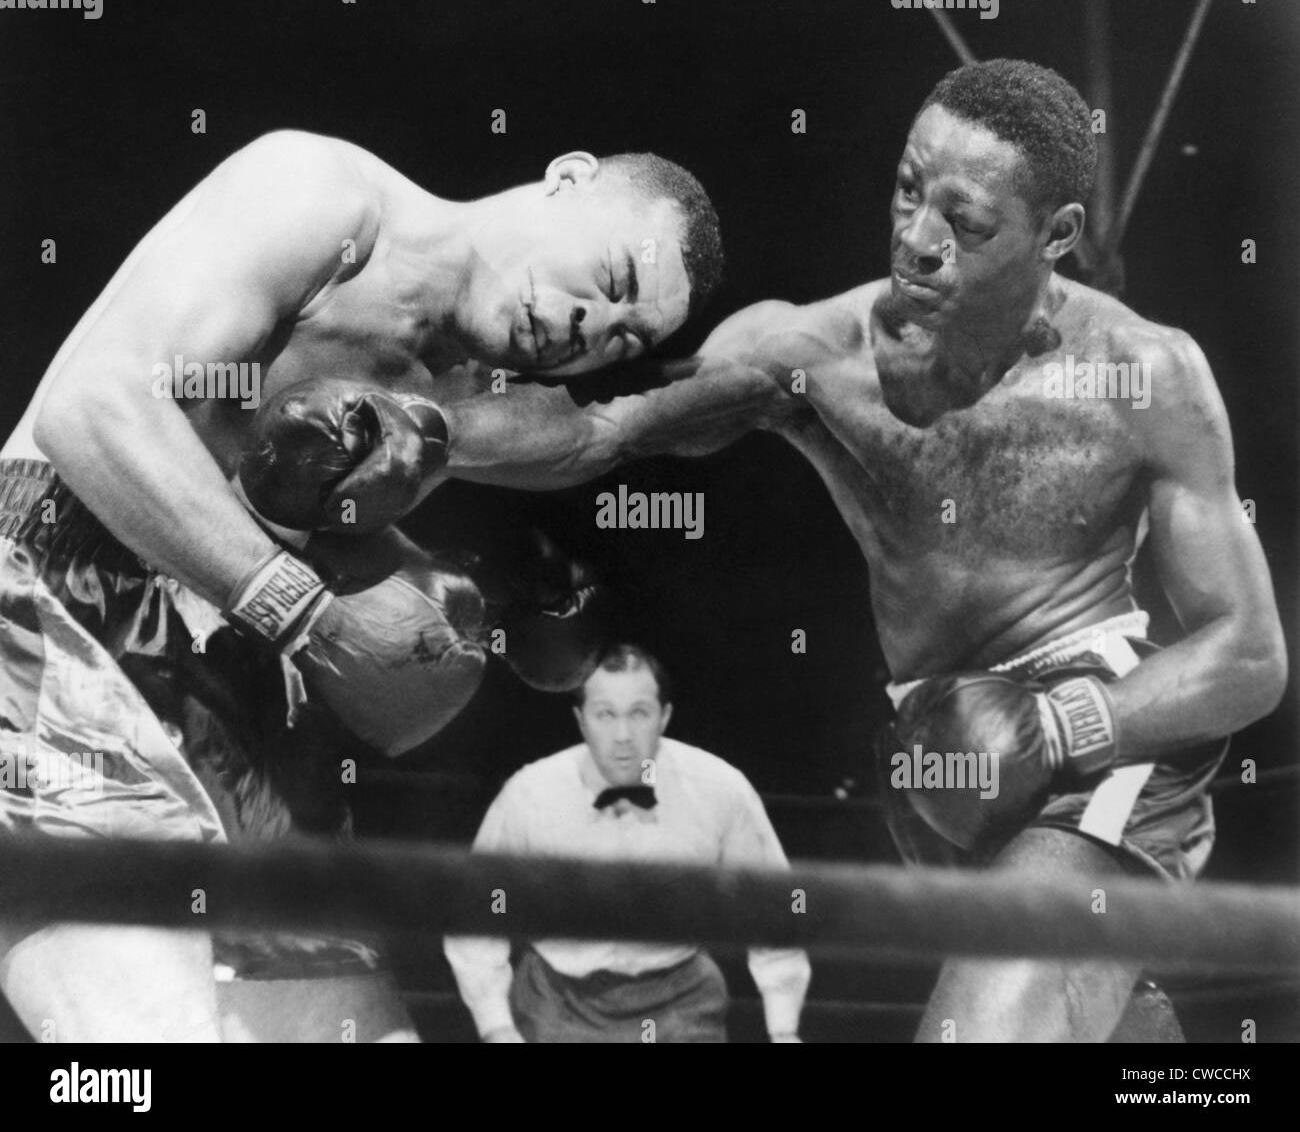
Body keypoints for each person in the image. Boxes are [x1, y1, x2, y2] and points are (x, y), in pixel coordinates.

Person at [442, 59, 1288, 1041]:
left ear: (1056, 235)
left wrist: (1056, 728)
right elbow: (602, 434)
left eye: (965, 222)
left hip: (1104, 749)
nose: (917, 240)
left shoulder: (1140, 373)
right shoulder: (812, 359)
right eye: (906, 189)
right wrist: (431, 421)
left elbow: (1249, 657)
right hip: (930, 764)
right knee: (1093, 1024)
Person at [0, 130, 721, 1041]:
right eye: (612, 277)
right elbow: (91, 410)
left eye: (621, 336)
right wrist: (299, 609)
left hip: (239, 677)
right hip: (52, 604)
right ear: (568, 179)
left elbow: (624, 432)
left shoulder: (457, 399)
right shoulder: (326, 197)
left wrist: (465, 605)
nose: (590, 325)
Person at [444, 644, 811, 1043]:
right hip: (558, 1000)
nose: (623, 736)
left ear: (664, 717)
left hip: (681, 1000)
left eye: (639, 713)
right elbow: (476, 914)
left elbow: (773, 906)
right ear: (581, 720)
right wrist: (496, 1026)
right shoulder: (529, 794)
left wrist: (784, 1028)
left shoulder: (720, 788)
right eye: (606, 714)